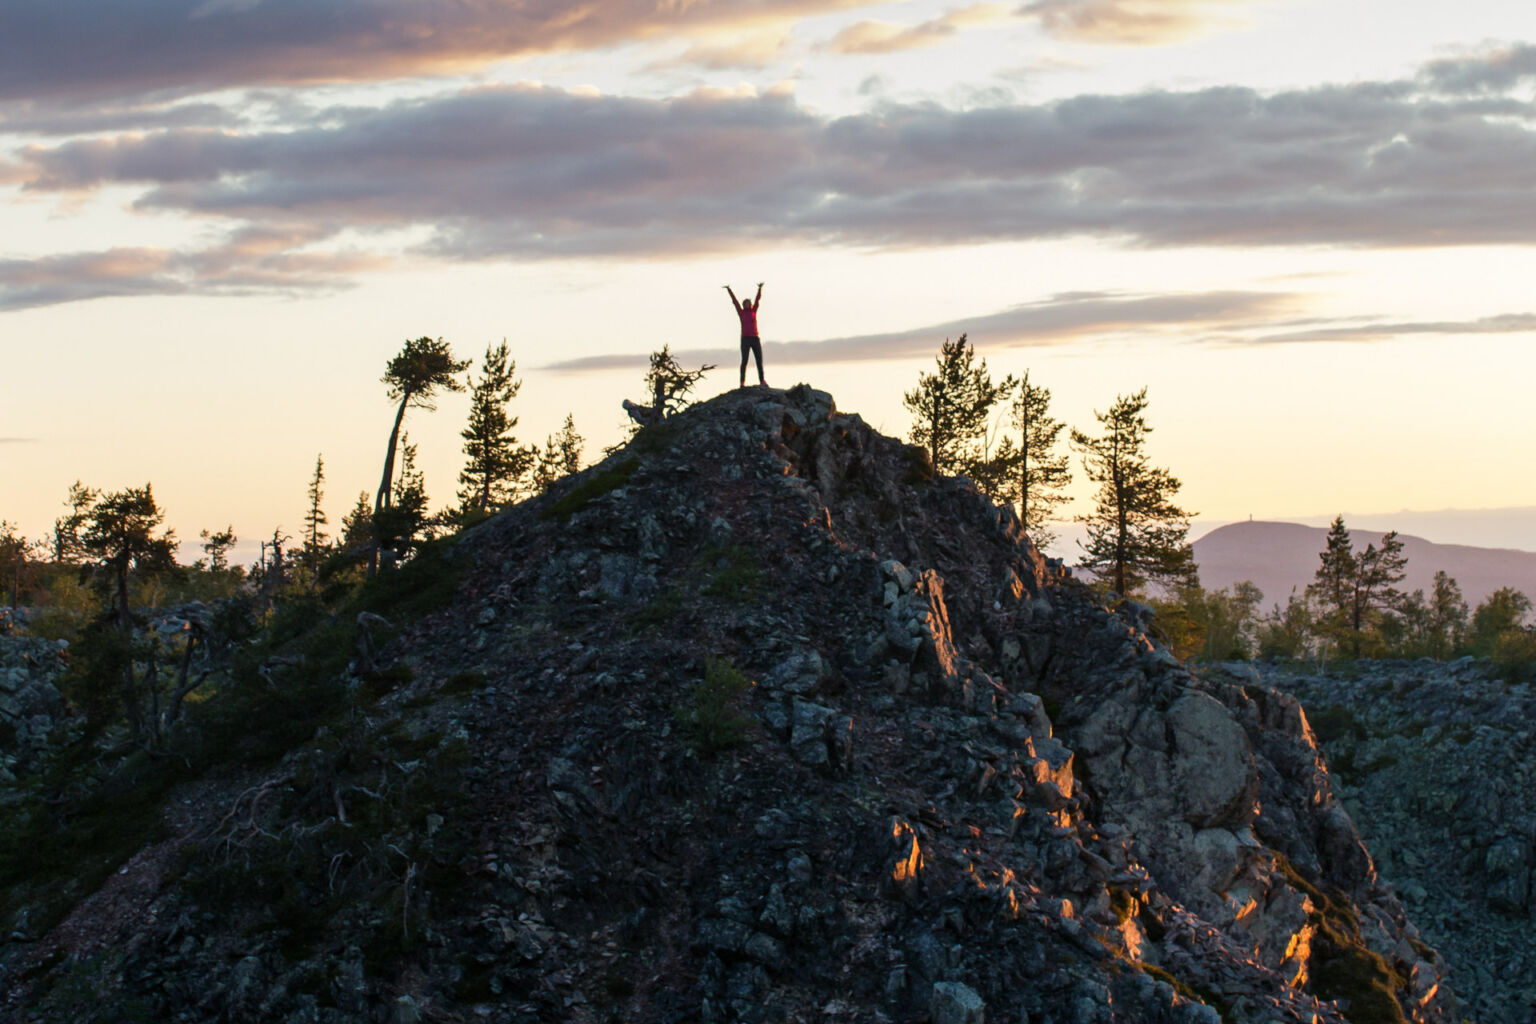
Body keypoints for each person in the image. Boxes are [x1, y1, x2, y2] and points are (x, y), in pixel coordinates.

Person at [725, 282, 766, 388]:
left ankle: (762, 381)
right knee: (744, 361)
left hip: (755, 338)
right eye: (745, 303)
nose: (747, 304)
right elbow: (735, 302)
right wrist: (729, 290)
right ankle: (742, 382)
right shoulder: (741, 312)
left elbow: (758, 300)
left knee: (759, 360)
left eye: (748, 303)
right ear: (743, 304)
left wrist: (759, 289)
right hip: (745, 339)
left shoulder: (753, 311)